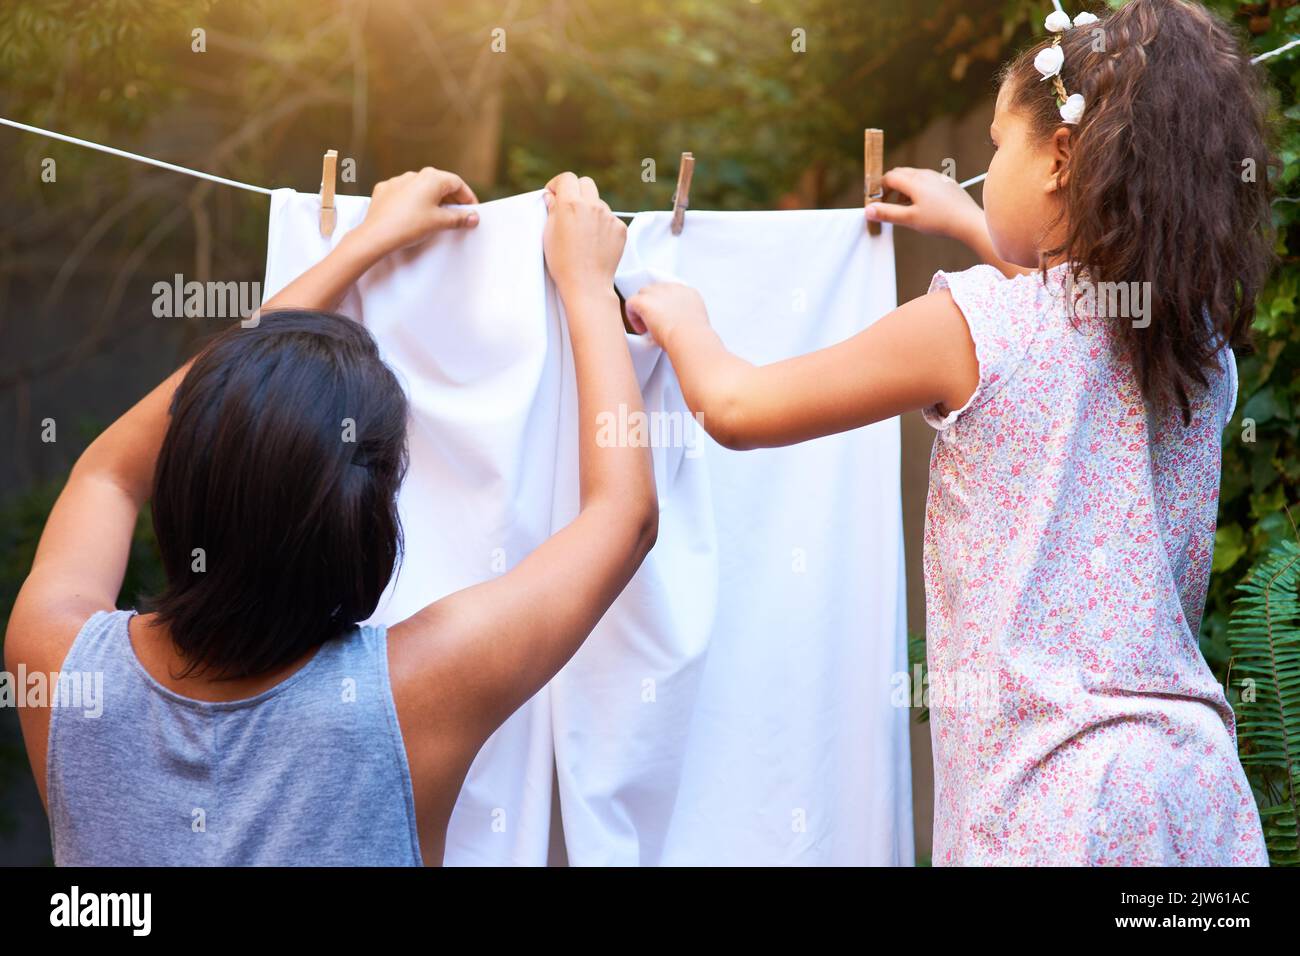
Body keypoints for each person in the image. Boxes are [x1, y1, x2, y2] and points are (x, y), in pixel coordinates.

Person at [624, 0, 1272, 864]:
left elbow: (739, 410)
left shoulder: (971, 327)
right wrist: (971, 222)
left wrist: (683, 318)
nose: (983, 162)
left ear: (1063, 159)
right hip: (1195, 792)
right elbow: (1085, 321)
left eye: (998, 144)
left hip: (1053, 803)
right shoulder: (1198, 350)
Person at [5, 168, 657, 865]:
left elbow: (110, 469)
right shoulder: (413, 692)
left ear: (184, 475)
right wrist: (587, 286)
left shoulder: (60, 663)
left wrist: (357, 247)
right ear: (370, 523)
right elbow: (624, 517)